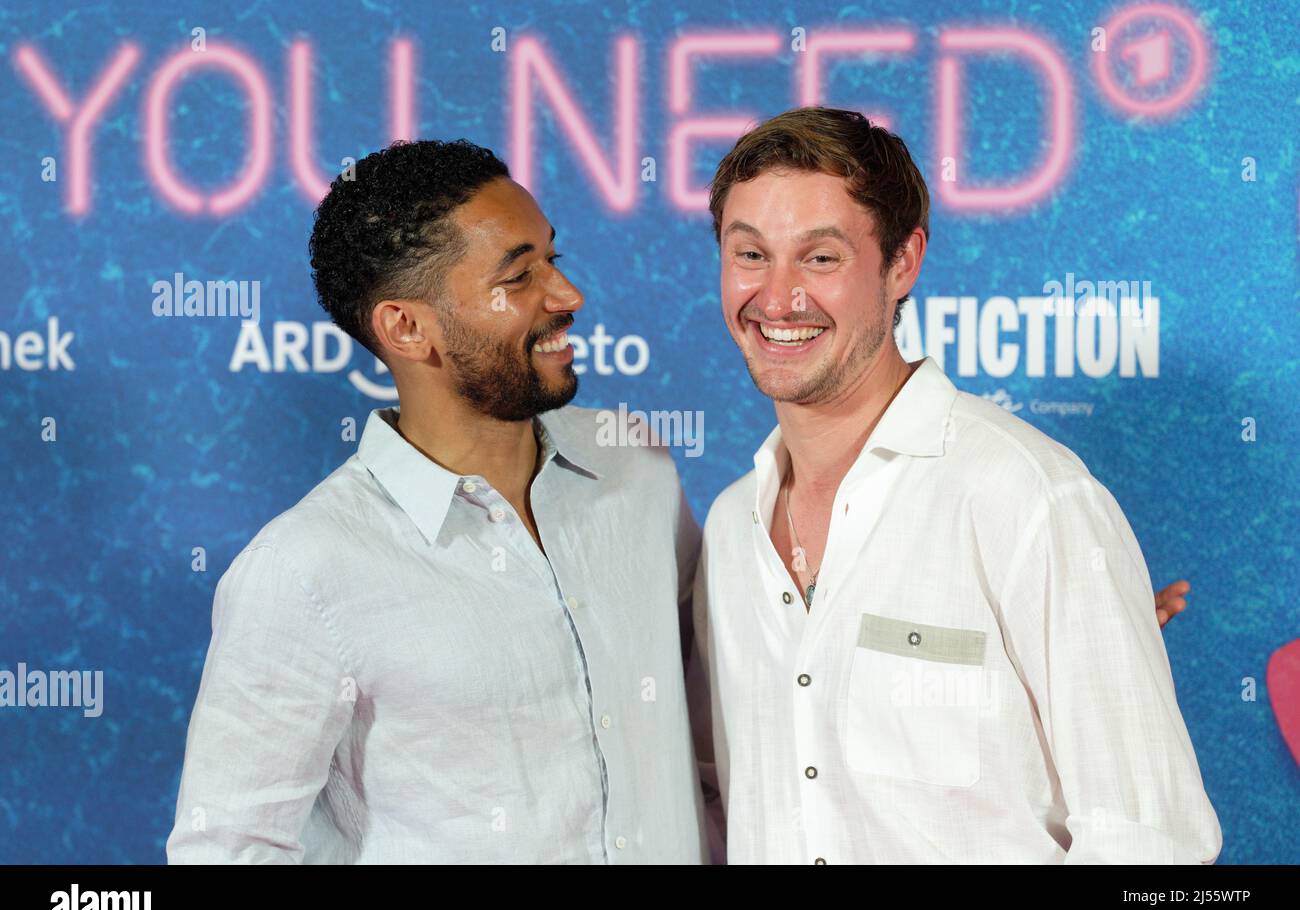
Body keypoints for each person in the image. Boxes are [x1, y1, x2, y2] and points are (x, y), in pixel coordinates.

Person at [688, 107, 1221, 864]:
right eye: (750, 254)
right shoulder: (730, 529)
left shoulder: (1029, 498)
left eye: (821, 259)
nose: (777, 299)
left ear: (903, 263)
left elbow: (1151, 842)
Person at [166, 139, 707, 863]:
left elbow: (708, 736)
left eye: (555, 258)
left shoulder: (634, 468)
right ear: (407, 328)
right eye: (519, 278)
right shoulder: (303, 570)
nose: (567, 296)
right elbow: (229, 848)